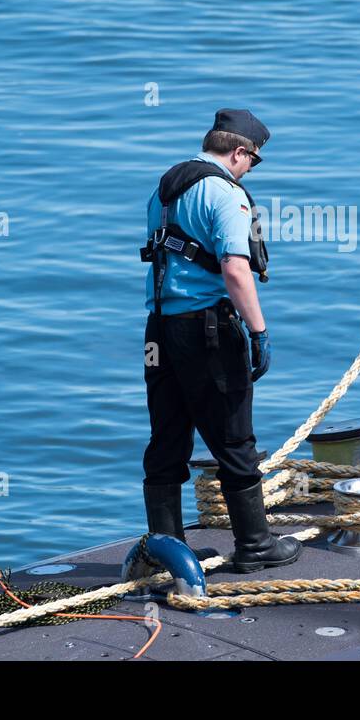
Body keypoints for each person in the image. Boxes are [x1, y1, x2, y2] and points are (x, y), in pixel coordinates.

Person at [139, 108, 300, 571]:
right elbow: (235, 269)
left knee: (167, 436)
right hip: (208, 328)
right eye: (254, 160)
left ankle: (166, 549)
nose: (251, 169)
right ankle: (254, 546)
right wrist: (259, 330)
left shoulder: (165, 188)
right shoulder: (225, 193)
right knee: (233, 437)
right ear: (238, 152)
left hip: (160, 329)